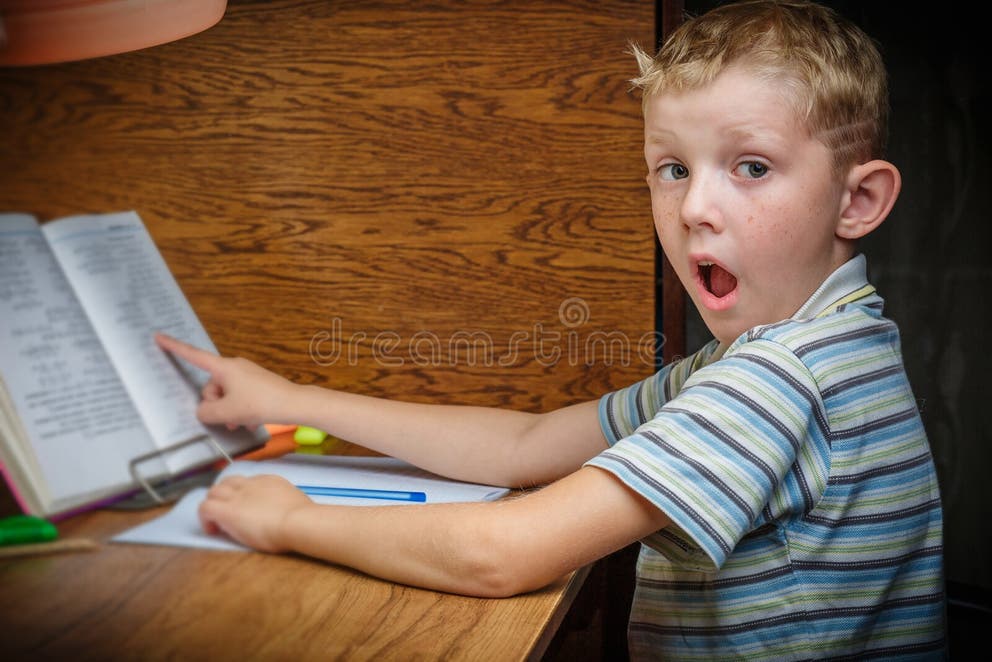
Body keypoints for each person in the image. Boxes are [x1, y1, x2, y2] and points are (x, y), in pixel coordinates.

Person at [156, 0, 946, 658]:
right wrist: (292, 397)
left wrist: (289, 519)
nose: (695, 207)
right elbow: (526, 445)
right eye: (673, 167)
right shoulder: (812, 345)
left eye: (751, 167)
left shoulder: (779, 377)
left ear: (858, 201)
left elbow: (500, 555)